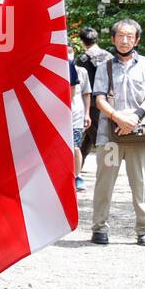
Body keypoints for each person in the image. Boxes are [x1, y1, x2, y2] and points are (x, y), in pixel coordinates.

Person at [89, 18, 145, 247]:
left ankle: (143, 230)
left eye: (130, 36)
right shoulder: (104, 66)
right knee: (104, 183)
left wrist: (134, 117)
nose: (125, 40)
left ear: (137, 39)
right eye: (120, 36)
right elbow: (99, 98)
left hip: (139, 135)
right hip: (110, 136)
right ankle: (99, 228)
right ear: (112, 39)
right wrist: (119, 118)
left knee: (141, 184)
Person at [76, 27, 110, 178]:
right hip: (107, 102)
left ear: (83, 42)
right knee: (89, 138)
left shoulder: (82, 59)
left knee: (97, 137)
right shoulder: (109, 56)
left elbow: (81, 85)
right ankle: (77, 168)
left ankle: (107, 167)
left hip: (90, 104)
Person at [69, 43, 91, 191]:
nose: (68, 55)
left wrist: (87, 113)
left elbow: (86, 93)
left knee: (76, 146)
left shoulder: (81, 71)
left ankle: (77, 175)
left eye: (70, 52)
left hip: (76, 114)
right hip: (59, 116)